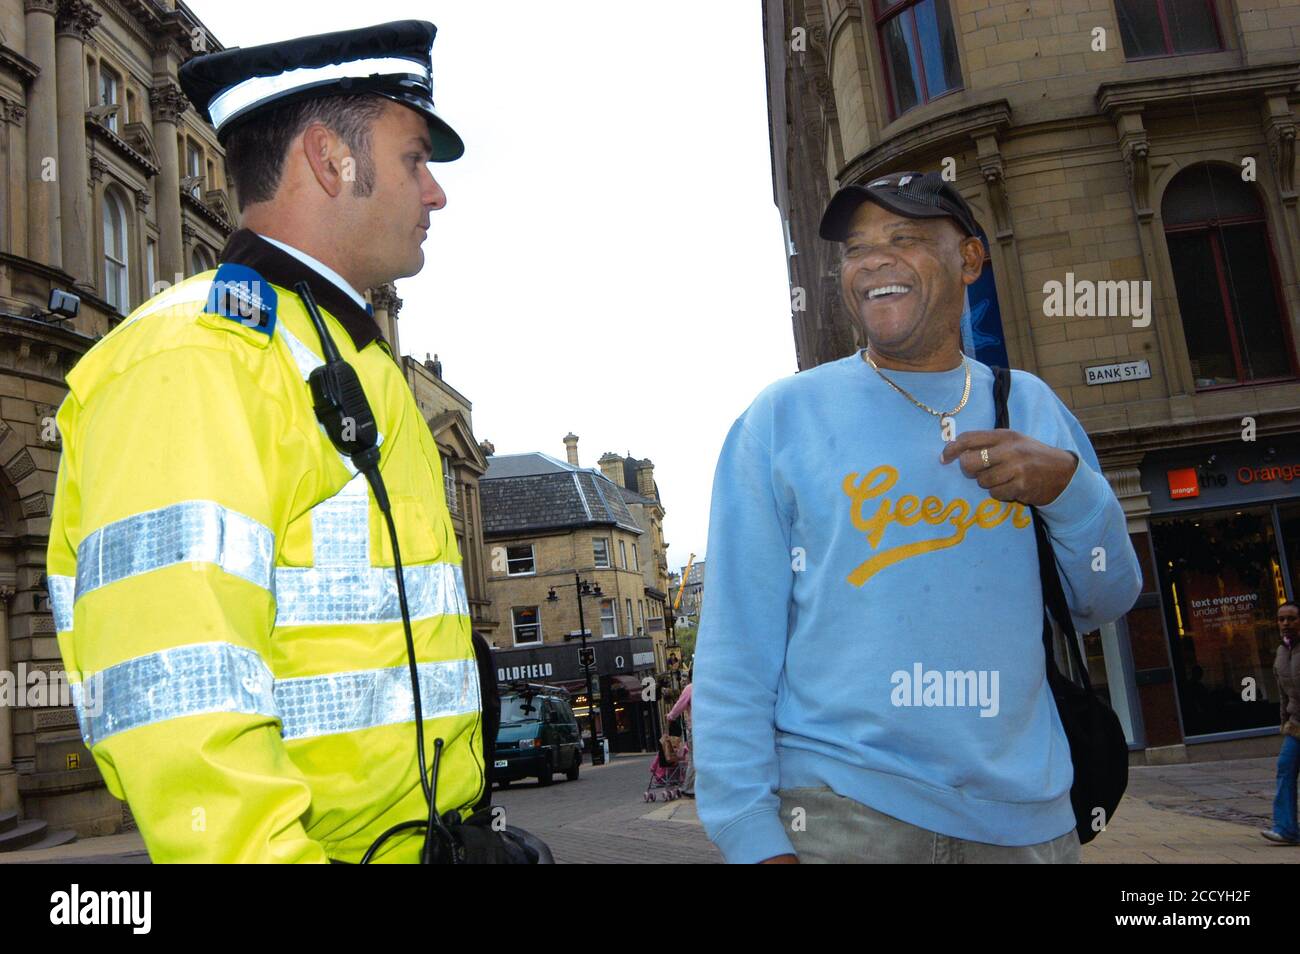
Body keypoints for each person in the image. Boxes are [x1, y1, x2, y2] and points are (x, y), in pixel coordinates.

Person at [46, 21, 510, 863]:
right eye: (414, 159)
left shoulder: (359, 361)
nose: (436, 193)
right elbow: (182, 715)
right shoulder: (191, 358)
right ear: (331, 161)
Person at [692, 171, 1143, 864]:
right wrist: (749, 833)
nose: (873, 261)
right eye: (856, 248)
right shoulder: (781, 419)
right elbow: (735, 647)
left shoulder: (1029, 406)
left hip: (1027, 824)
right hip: (844, 816)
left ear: (969, 259)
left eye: (903, 239)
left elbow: (1105, 600)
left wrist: (1069, 491)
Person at [1261, 600, 1300, 845]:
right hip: (1296, 725)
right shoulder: (1281, 652)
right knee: (1285, 768)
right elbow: (1283, 694)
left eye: (1291, 618)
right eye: (1281, 619)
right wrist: (1284, 723)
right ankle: (1286, 829)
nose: (1286, 623)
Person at [666, 681, 695, 797]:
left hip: (696, 729)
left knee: (694, 759)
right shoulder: (708, 685)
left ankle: (689, 787)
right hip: (709, 729)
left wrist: (670, 716)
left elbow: (680, 705)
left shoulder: (691, 688)